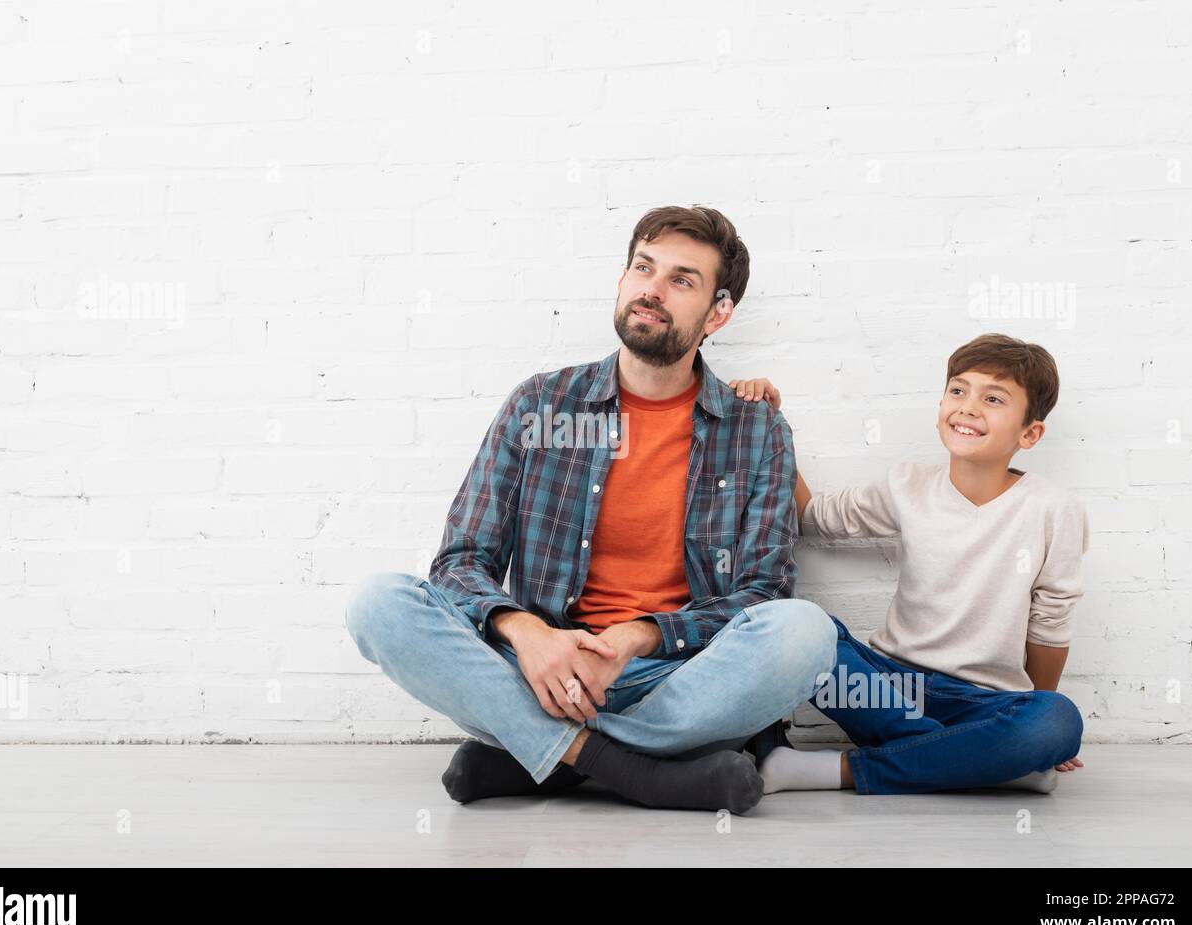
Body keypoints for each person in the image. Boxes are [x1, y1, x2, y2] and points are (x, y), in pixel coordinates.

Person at [345, 205, 836, 815]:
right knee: (380, 603)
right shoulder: (543, 403)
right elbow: (462, 562)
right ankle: (640, 772)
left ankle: (547, 759)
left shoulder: (756, 428)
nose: (652, 291)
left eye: (682, 280)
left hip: (675, 678)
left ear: (718, 313)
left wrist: (639, 637)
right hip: (543, 673)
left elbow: (763, 593)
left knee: (807, 633)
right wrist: (529, 635)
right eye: (643, 268)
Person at [728, 333, 1088, 795]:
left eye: (993, 398)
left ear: (1029, 433)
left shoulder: (1052, 509)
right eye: (958, 390)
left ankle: (836, 770)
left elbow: (1051, 623)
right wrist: (771, 421)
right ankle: (986, 763)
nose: (969, 407)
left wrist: (1038, 715)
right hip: (888, 693)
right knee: (800, 628)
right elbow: (812, 518)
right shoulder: (908, 484)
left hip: (986, 704)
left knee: (1056, 721)